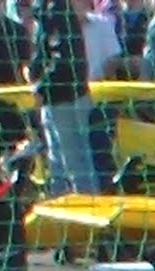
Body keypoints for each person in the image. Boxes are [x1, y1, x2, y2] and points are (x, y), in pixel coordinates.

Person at [30, 0, 98, 191]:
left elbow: (63, 56)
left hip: (68, 98)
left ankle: (88, 210)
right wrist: (34, 73)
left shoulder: (57, 10)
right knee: (57, 162)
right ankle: (61, 206)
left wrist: (42, 87)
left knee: (75, 162)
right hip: (55, 98)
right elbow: (43, 52)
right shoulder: (46, 9)